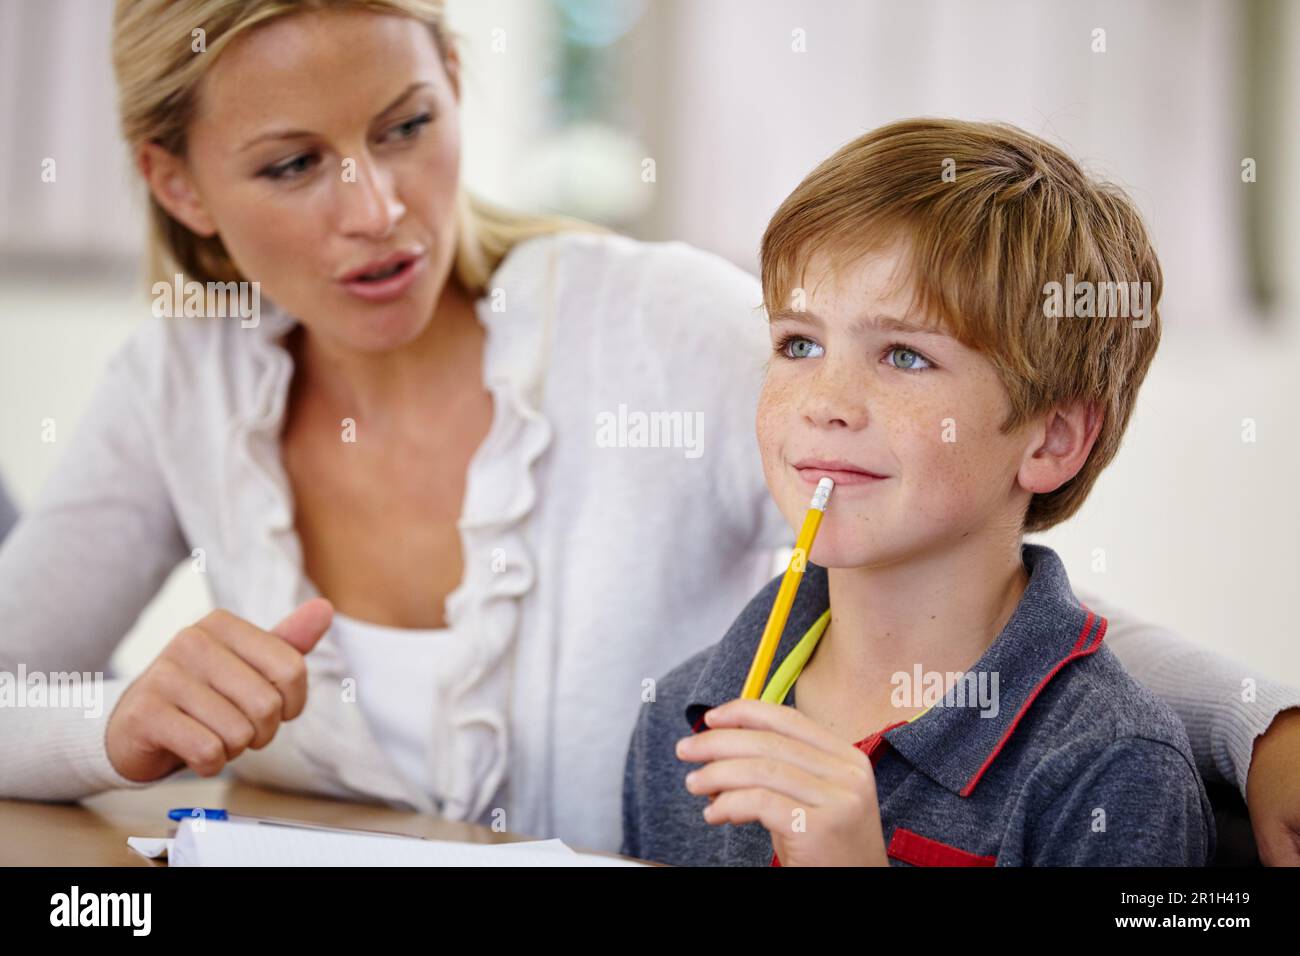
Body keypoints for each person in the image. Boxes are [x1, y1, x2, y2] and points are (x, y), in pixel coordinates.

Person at [1, 1, 1298, 862]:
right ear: (179, 183)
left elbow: (956, 551)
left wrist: (1257, 721)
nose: (380, 208)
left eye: (407, 126)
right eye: (293, 165)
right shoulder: (178, 385)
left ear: (454, 85)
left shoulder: (652, 328)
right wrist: (112, 726)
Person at [621, 119, 1218, 865]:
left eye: (904, 356)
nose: (827, 401)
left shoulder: (1112, 769)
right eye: (799, 344)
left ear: (1051, 440)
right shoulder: (681, 721)